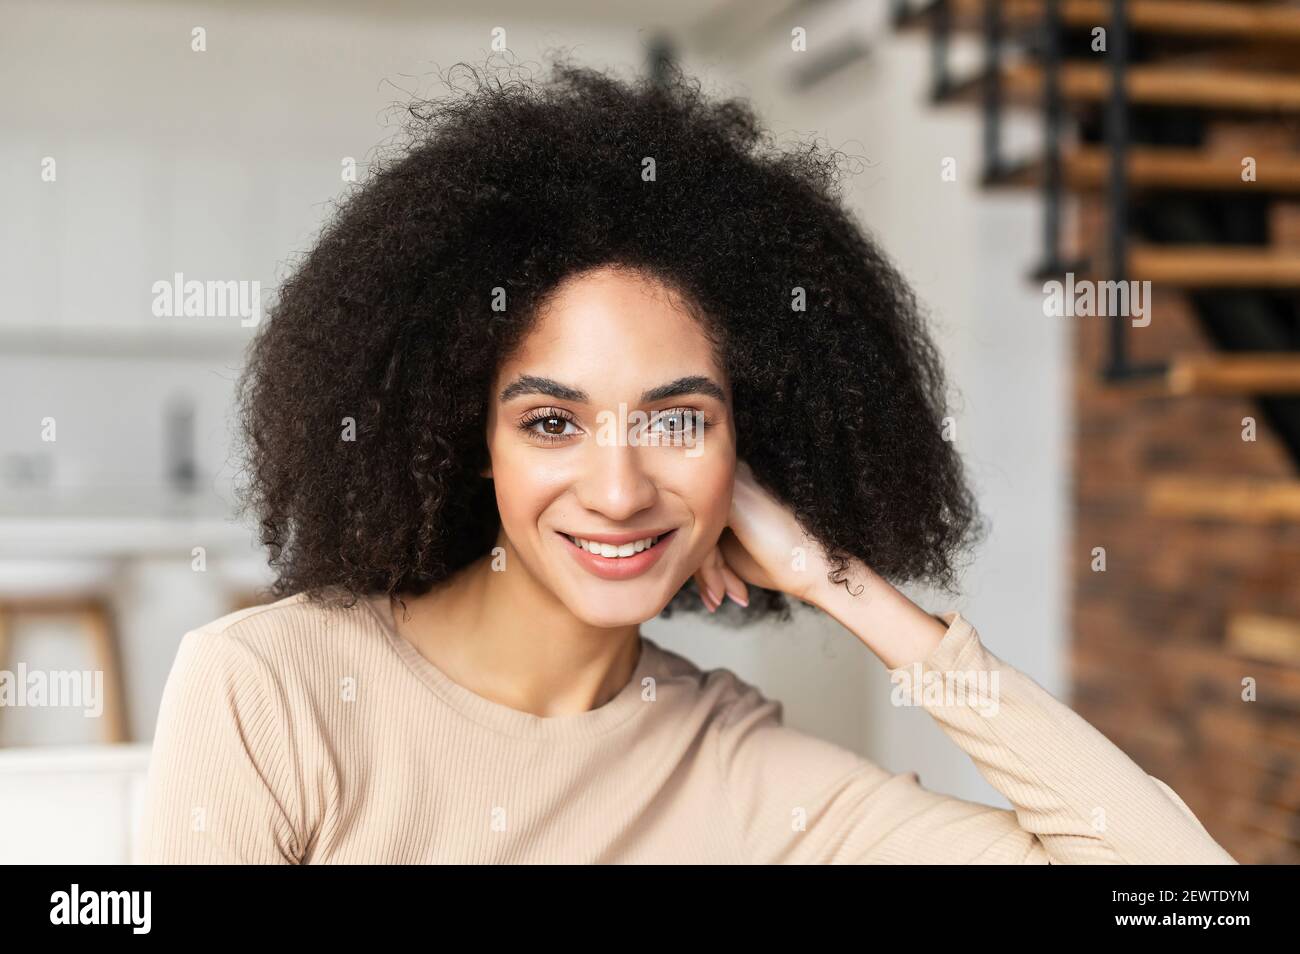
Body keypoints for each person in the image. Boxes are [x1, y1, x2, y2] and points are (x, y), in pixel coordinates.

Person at [138, 57, 1236, 864]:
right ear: (461, 437)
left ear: (749, 444)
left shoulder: (729, 762)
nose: (617, 492)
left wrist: (832, 580)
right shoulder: (268, 690)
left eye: (676, 421)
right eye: (551, 422)